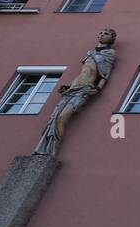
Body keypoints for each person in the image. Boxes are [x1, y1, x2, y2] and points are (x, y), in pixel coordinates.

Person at [34, 28, 118, 156]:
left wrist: (98, 88)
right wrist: (68, 86)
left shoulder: (109, 53)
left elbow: (105, 74)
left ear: (112, 38)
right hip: (72, 88)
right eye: (100, 32)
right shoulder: (90, 53)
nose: (101, 34)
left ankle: (51, 150)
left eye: (106, 33)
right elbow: (83, 73)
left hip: (85, 89)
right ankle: (44, 148)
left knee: (61, 118)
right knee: (53, 118)